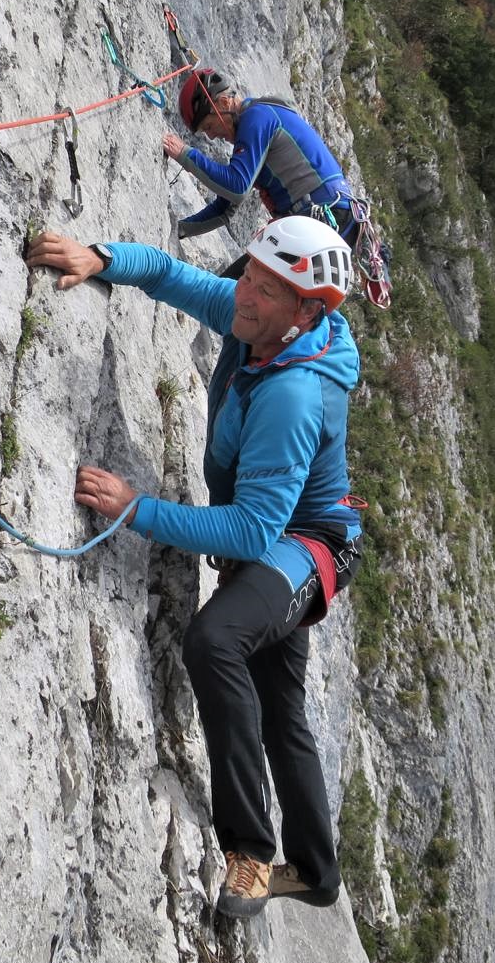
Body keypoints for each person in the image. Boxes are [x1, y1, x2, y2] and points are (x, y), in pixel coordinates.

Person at [26, 215, 364, 919]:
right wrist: (102, 257)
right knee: (280, 711)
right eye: (249, 276)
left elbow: (251, 529)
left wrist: (135, 509)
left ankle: (249, 855)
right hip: (278, 535)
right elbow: (173, 277)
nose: (245, 294)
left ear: (306, 310)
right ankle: (318, 873)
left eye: (267, 291)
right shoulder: (258, 322)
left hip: (305, 542)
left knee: (217, 641)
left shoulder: (294, 391)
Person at [163, 69, 362, 259]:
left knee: (242, 289)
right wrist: (177, 229)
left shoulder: (257, 118)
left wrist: (184, 154)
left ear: (224, 103)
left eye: (209, 126)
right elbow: (225, 207)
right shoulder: (256, 125)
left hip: (324, 219)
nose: (212, 136)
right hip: (327, 221)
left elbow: (236, 187)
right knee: (236, 288)